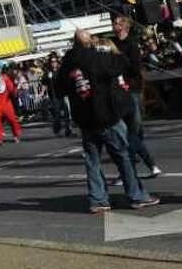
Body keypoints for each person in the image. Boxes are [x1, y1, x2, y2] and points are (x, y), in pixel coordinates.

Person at [56, 28, 159, 214]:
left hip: (85, 119)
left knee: (92, 161)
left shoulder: (67, 64)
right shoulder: (95, 58)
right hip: (105, 115)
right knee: (123, 156)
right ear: (88, 43)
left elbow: (58, 89)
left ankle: (98, 200)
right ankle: (136, 195)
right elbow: (121, 64)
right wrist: (108, 52)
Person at [111, 16, 161, 177]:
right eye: (114, 23)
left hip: (132, 89)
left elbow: (135, 66)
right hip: (119, 90)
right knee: (127, 131)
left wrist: (119, 59)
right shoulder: (112, 43)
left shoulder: (131, 44)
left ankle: (133, 165)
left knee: (135, 128)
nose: (114, 25)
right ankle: (135, 167)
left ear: (124, 27)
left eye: (117, 23)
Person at [0, 66, 22, 144]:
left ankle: (16, 135)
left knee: (13, 119)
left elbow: (11, 90)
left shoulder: (5, 78)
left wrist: (16, 88)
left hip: (6, 102)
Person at [41, 55, 74, 137]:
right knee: (57, 115)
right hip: (54, 96)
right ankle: (57, 131)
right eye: (52, 62)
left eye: (55, 61)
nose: (53, 63)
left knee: (67, 113)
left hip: (63, 94)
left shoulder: (61, 70)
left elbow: (66, 80)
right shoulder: (48, 72)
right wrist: (42, 91)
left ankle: (68, 130)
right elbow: (44, 83)